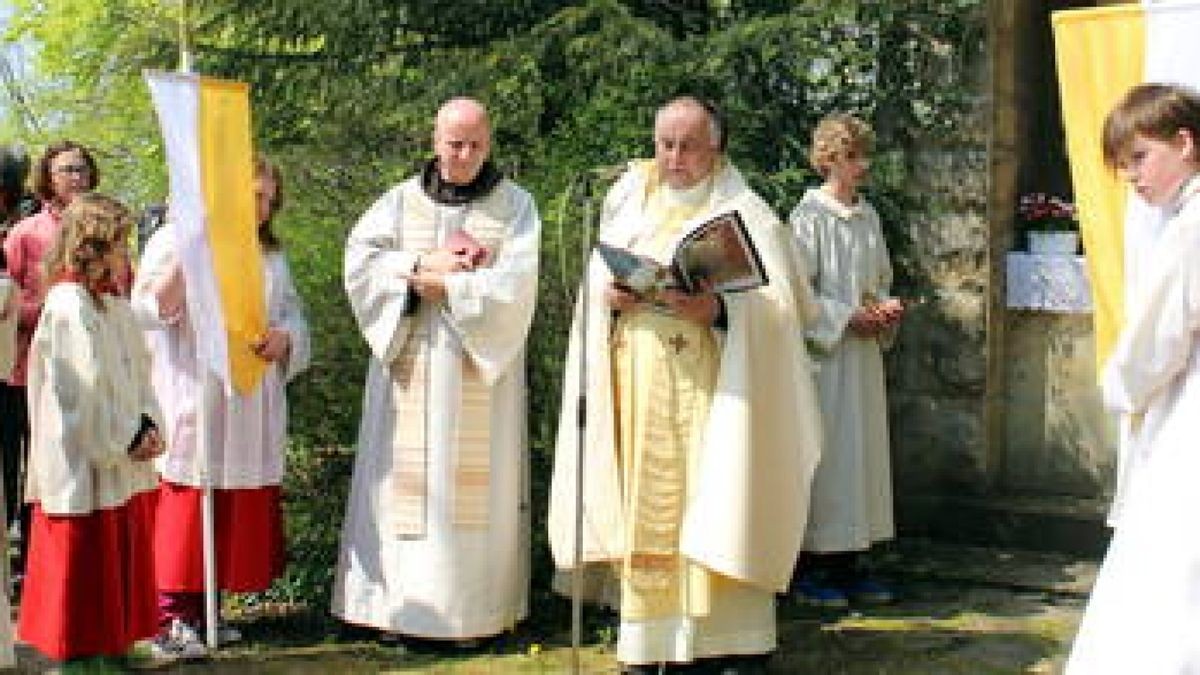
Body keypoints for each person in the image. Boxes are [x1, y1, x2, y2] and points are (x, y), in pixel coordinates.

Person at [548, 96, 823, 674]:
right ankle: (649, 646)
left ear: (716, 147)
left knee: (717, 499)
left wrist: (721, 312)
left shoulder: (747, 212)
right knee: (647, 507)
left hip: (716, 392)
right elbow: (599, 284)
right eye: (664, 144)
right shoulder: (629, 204)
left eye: (688, 145)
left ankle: (730, 640)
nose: (673, 158)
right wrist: (613, 301)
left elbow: (783, 314)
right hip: (639, 382)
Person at [333, 97, 540, 646]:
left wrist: (454, 286)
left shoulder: (515, 207)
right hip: (412, 361)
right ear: (435, 140)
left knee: (473, 495)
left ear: (489, 143)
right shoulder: (399, 202)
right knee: (404, 489)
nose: (464, 155)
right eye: (454, 143)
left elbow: (518, 287)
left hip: (479, 371)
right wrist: (416, 268)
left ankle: (474, 616)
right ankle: (400, 615)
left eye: (474, 144)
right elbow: (360, 260)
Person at [133, 155, 311, 658]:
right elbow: (149, 310)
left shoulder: (270, 256)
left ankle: (208, 609)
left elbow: (293, 314)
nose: (262, 208)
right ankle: (170, 615)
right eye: (255, 195)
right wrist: (193, 252)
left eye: (270, 200)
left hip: (250, 398)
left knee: (231, 508)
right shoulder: (176, 239)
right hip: (195, 392)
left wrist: (286, 338)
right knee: (187, 505)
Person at [1064, 83, 1200, 674]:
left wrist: (1119, 387)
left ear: (1185, 142)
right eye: (1123, 166)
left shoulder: (1191, 227)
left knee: (1168, 568)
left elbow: (1157, 342)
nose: (1131, 176)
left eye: (1139, 158)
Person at [16, 193, 163, 665]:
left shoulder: (114, 308)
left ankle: (115, 642)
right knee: (82, 556)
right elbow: (80, 390)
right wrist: (125, 436)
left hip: (119, 453)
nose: (126, 256)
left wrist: (148, 423)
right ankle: (80, 653)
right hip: (82, 457)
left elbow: (141, 371)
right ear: (91, 247)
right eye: (119, 245)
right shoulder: (67, 305)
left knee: (116, 550)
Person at [786, 114, 905, 607]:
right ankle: (814, 568)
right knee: (831, 460)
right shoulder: (808, 218)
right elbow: (797, 295)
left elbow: (878, 277)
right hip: (827, 362)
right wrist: (843, 319)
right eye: (853, 156)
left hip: (862, 360)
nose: (863, 165)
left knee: (863, 460)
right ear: (829, 159)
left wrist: (882, 309)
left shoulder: (868, 215)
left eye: (863, 155)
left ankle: (854, 561)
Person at [3, 140, 103, 585]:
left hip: (90, 376)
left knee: (76, 464)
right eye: (67, 170)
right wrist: (52, 310)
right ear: (48, 177)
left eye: (82, 169)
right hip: (28, 372)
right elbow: (7, 305)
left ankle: (64, 560)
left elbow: (126, 292)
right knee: (27, 468)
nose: (76, 178)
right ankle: (25, 562)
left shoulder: (105, 232)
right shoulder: (26, 233)